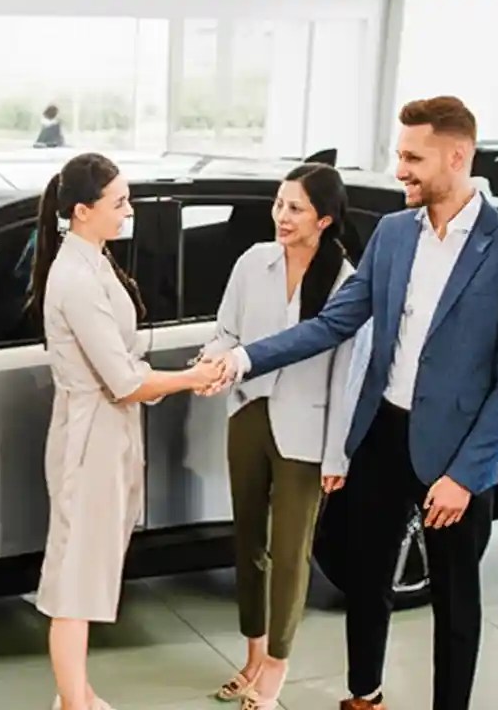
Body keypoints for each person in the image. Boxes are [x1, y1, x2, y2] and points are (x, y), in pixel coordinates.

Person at [198, 96, 498, 710]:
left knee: (455, 601)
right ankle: (365, 697)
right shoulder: (393, 233)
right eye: (399, 154)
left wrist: (466, 475)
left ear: (457, 156)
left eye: (413, 157)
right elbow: (331, 323)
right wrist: (243, 359)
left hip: (457, 452)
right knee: (366, 580)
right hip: (383, 435)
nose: (400, 169)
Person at [30, 152, 222, 710]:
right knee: (75, 584)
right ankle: (74, 704)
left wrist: (177, 376)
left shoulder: (93, 260)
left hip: (106, 431)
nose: (129, 211)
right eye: (119, 203)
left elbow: (124, 363)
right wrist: (192, 377)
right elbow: (121, 379)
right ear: (82, 210)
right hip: (90, 438)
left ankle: (80, 695)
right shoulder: (75, 277)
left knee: (88, 574)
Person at [200, 163, 360, 710]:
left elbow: (344, 376)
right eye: (279, 204)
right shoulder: (253, 262)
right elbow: (226, 331)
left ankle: (276, 666)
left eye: (295, 208)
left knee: (291, 553)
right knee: (248, 542)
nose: (282, 216)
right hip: (249, 412)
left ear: (325, 219)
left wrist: (337, 455)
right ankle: (252, 653)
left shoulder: (344, 283)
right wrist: (212, 362)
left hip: (306, 431)